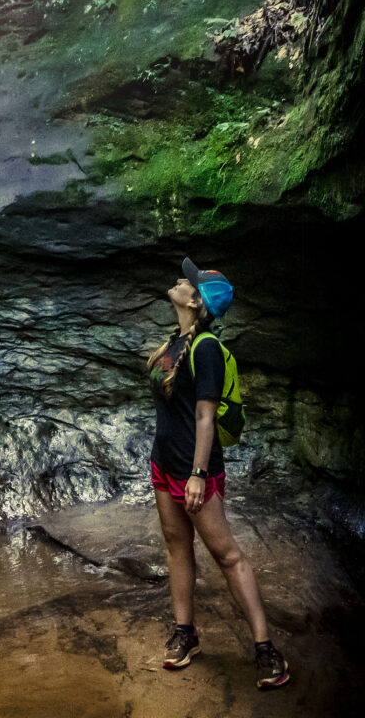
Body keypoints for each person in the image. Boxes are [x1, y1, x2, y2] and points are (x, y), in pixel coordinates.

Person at [146, 257, 290, 690]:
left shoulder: (206, 347)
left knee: (227, 555)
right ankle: (185, 633)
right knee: (177, 546)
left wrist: (197, 474)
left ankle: (266, 650)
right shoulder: (175, 343)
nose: (179, 281)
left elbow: (206, 418)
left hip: (194, 470)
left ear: (198, 302)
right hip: (163, 465)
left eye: (187, 282)